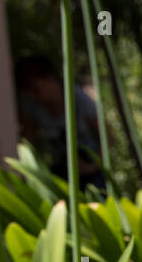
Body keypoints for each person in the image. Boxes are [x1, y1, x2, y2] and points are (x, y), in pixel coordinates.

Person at [14, 55, 107, 190]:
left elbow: (108, 137)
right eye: (29, 91)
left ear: (50, 78)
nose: (33, 96)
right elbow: (28, 143)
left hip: (91, 168)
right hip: (62, 168)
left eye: (35, 89)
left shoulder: (79, 98)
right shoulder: (31, 104)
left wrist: (92, 166)